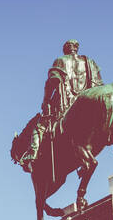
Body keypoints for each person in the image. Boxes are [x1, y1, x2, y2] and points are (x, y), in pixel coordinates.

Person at [19, 40, 104, 171]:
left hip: (66, 106)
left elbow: (53, 80)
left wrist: (46, 100)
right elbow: (99, 85)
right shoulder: (89, 62)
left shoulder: (61, 60)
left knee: (39, 128)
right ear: (76, 48)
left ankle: (31, 155)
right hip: (88, 105)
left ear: (66, 49)